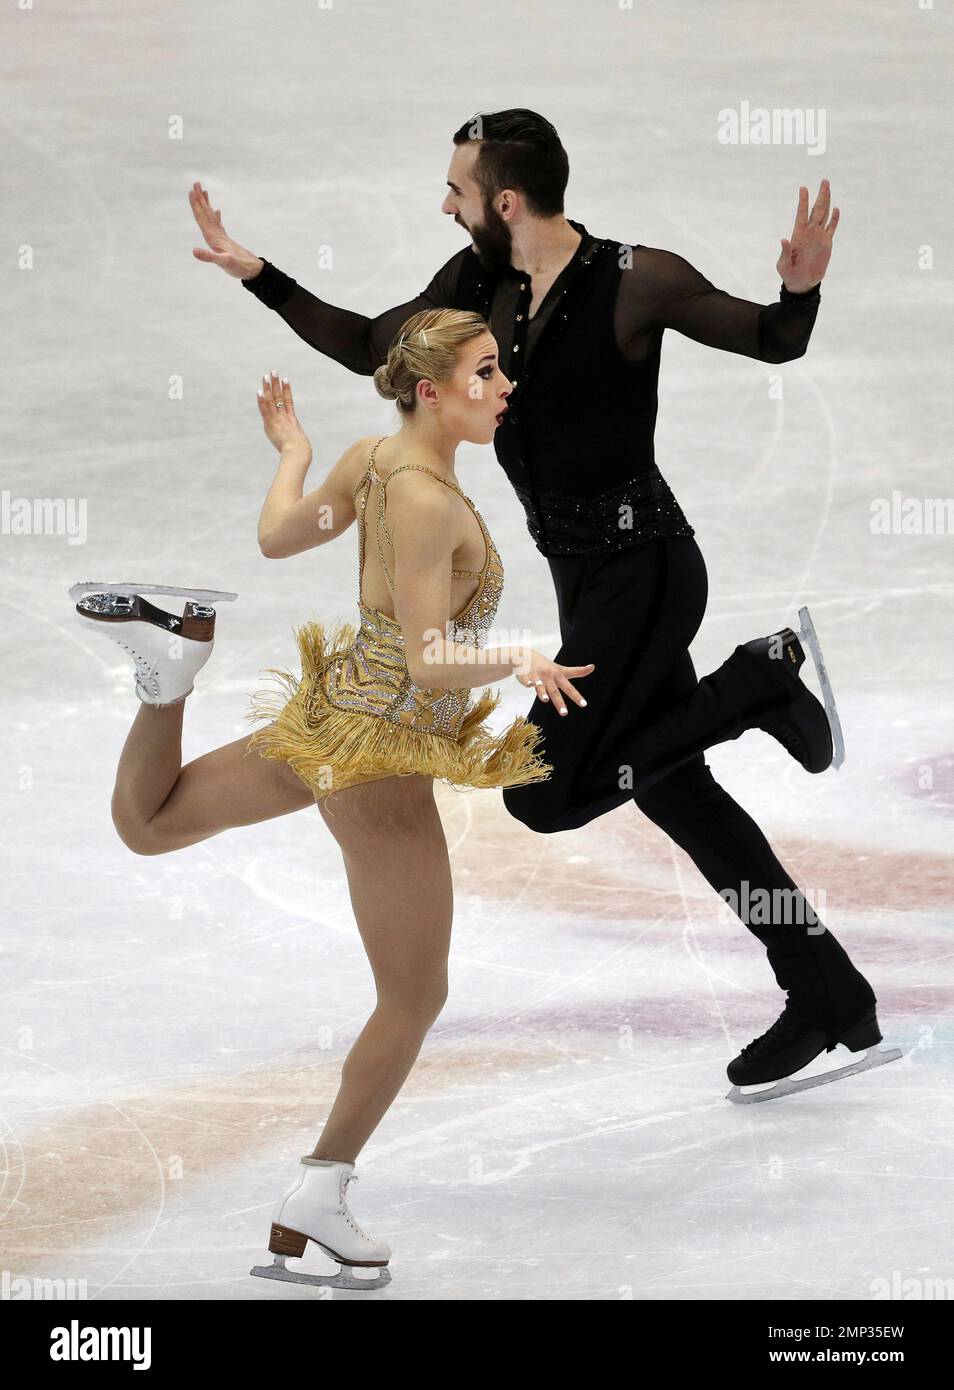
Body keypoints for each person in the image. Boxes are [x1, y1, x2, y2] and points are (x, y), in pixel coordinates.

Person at [187, 107, 883, 1094]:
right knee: (671, 780)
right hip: (583, 575)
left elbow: (772, 341)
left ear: (504, 201)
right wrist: (261, 275)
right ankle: (827, 992)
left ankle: (756, 684)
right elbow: (373, 348)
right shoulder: (477, 285)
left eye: (458, 190)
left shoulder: (640, 279)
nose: (446, 203)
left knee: (546, 793)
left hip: (647, 573)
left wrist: (799, 288)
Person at [70, 306, 594, 1290]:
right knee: (416, 994)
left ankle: (171, 674)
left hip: (329, 713)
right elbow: (435, 661)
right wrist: (518, 656)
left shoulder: (371, 458)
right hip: (378, 759)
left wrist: (296, 453)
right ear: (432, 391)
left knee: (150, 825)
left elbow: (278, 537)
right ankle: (318, 1195)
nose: (503, 388)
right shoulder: (434, 501)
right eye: (484, 373)